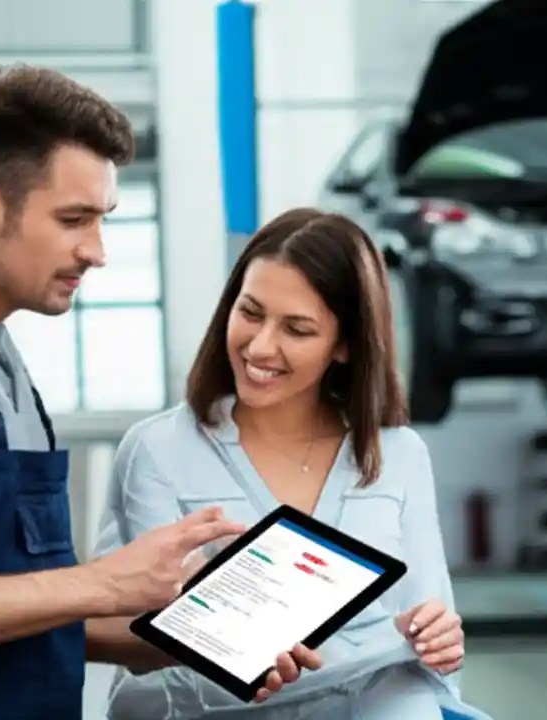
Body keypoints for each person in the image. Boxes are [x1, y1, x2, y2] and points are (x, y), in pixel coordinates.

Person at [0, 65, 319, 720]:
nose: (97, 251)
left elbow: (16, 615)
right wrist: (105, 582)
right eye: (74, 219)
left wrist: (195, 638)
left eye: (102, 220)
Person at [92, 208, 493, 719]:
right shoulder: (157, 450)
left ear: (345, 345)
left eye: (297, 329)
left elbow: (426, 619)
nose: (261, 347)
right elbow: (129, 632)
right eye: (250, 313)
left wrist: (438, 635)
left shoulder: (399, 454)